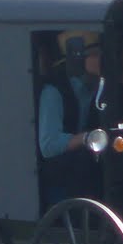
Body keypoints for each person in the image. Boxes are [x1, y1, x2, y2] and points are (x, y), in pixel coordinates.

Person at [37, 30, 104, 205]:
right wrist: (86, 138)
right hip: (61, 173)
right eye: (95, 55)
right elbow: (49, 145)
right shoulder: (53, 92)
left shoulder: (101, 89)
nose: (102, 60)